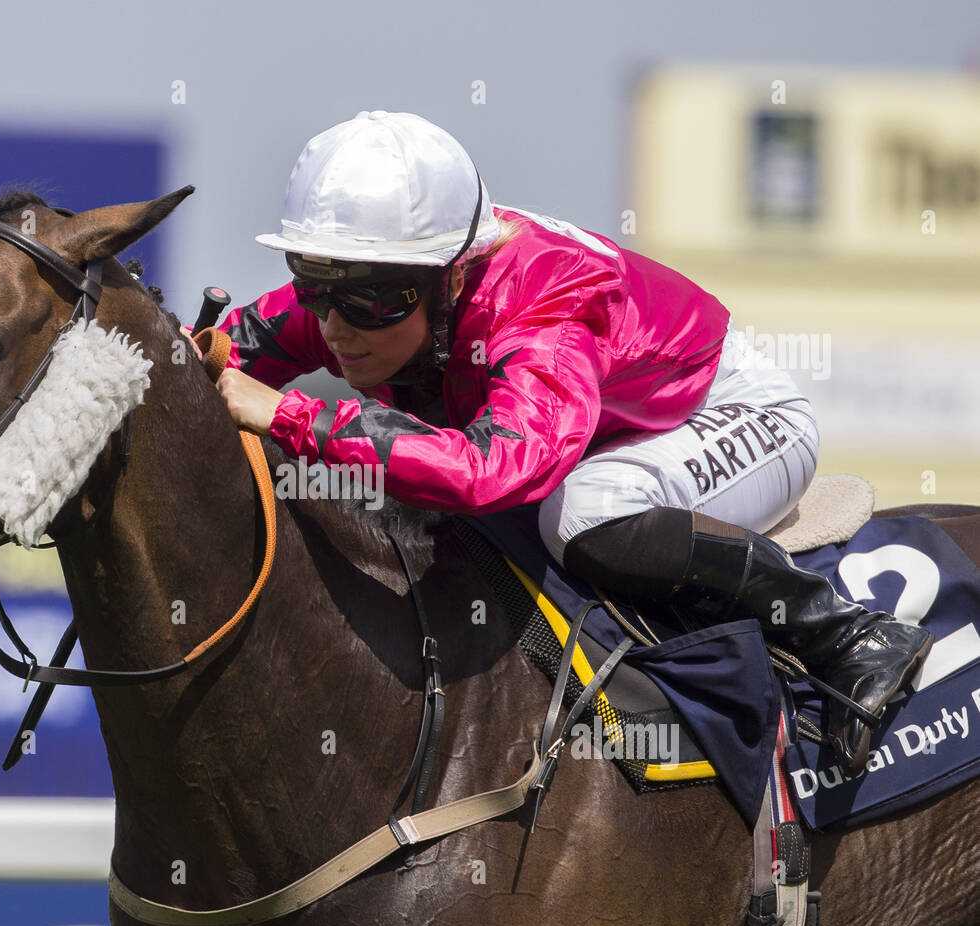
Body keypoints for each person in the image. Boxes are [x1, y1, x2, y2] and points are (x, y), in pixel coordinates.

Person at [193, 110, 931, 774]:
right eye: (315, 283)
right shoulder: (386, 281)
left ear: (452, 274)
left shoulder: (544, 301)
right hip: (615, 428)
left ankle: (848, 634)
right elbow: (230, 346)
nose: (334, 324)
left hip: (735, 414)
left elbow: (497, 471)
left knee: (578, 512)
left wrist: (296, 418)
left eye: (370, 297)